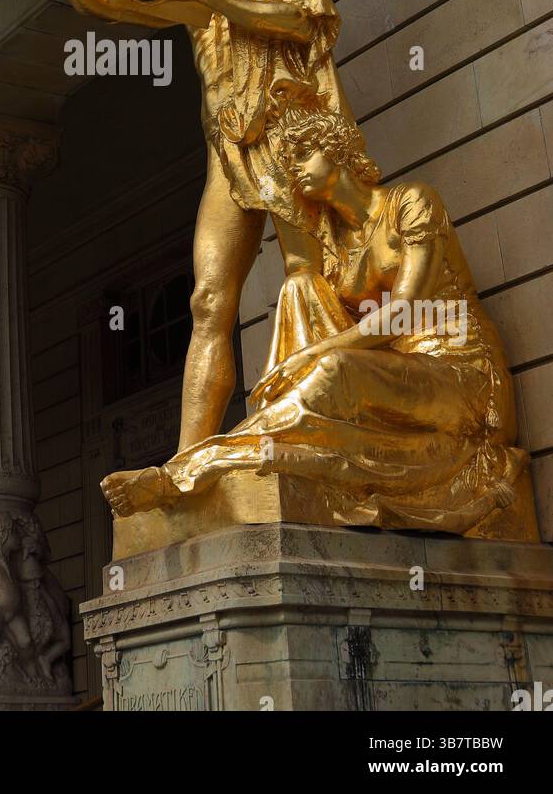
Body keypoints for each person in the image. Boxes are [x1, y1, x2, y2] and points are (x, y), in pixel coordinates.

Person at [24, 0, 352, 451]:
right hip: (226, 155)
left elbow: (303, 21)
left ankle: (322, 427)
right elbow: (111, 7)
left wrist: (214, 0)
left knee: (307, 274)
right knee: (206, 300)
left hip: (284, 134)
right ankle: (189, 464)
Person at [101, 107, 530, 537]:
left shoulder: (412, 202)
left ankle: (187, 471)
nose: (296, 171)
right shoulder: (339, 252)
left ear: (337, 151)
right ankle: (246, 458)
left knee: (335, 368)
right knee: (299, 288)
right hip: (398, 373)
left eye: (304, 156)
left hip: (462, 374)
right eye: (290, 164)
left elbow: (405, 313)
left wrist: (311, 356)